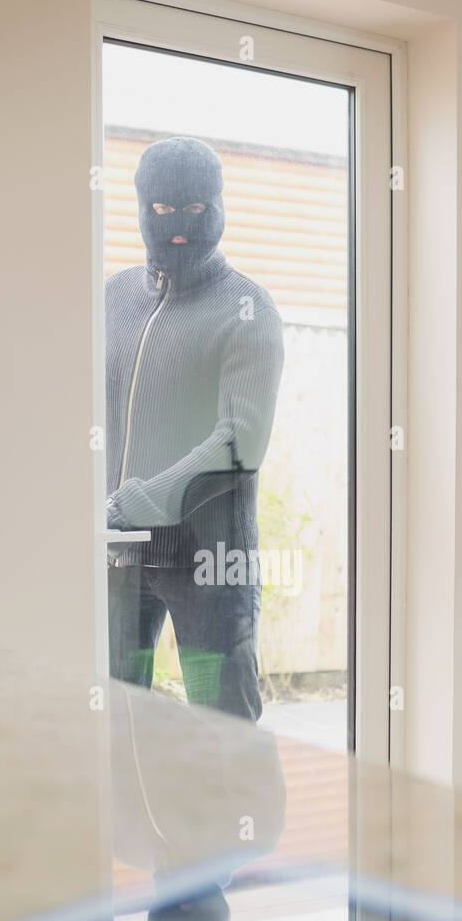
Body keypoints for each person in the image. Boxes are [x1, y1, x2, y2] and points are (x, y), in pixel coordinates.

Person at [105, 136, 284, 722]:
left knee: (224, 728)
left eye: (196, 210)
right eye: (160, 211)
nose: (177, 227)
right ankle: (127, 819)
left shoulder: (247, 308)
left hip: (211, 564)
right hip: (118, 556)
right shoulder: (114, 298)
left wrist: (136, 503)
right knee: (115, 716)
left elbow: (241, 442)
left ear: (220, 206)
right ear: (140, 208)